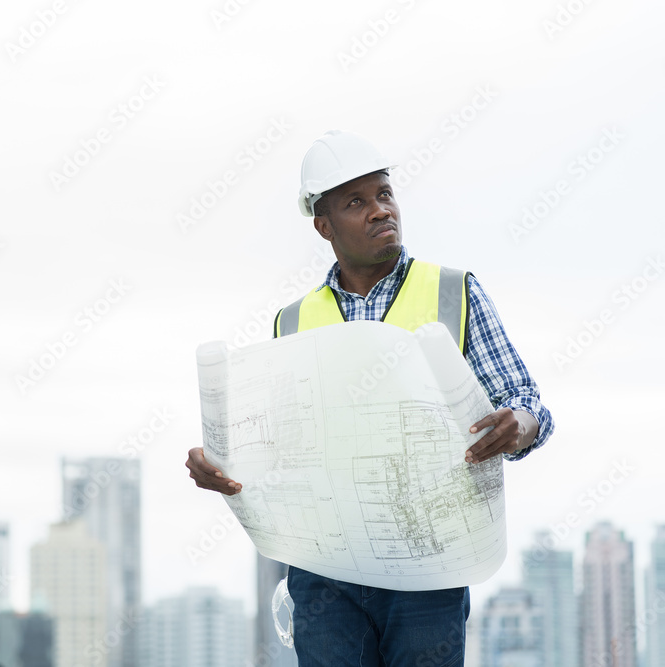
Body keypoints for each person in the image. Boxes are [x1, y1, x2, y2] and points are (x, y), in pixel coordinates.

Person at [185, 130, 554, 666]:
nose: (380, 210)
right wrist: (222, 466)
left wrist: (517, 425)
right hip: (324, 574)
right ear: (324, 224)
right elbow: (281, 452)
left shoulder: (454, 292)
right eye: (356, 201)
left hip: (430, 566)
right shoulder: (291, 322)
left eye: (384, 194)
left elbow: (526, 403)